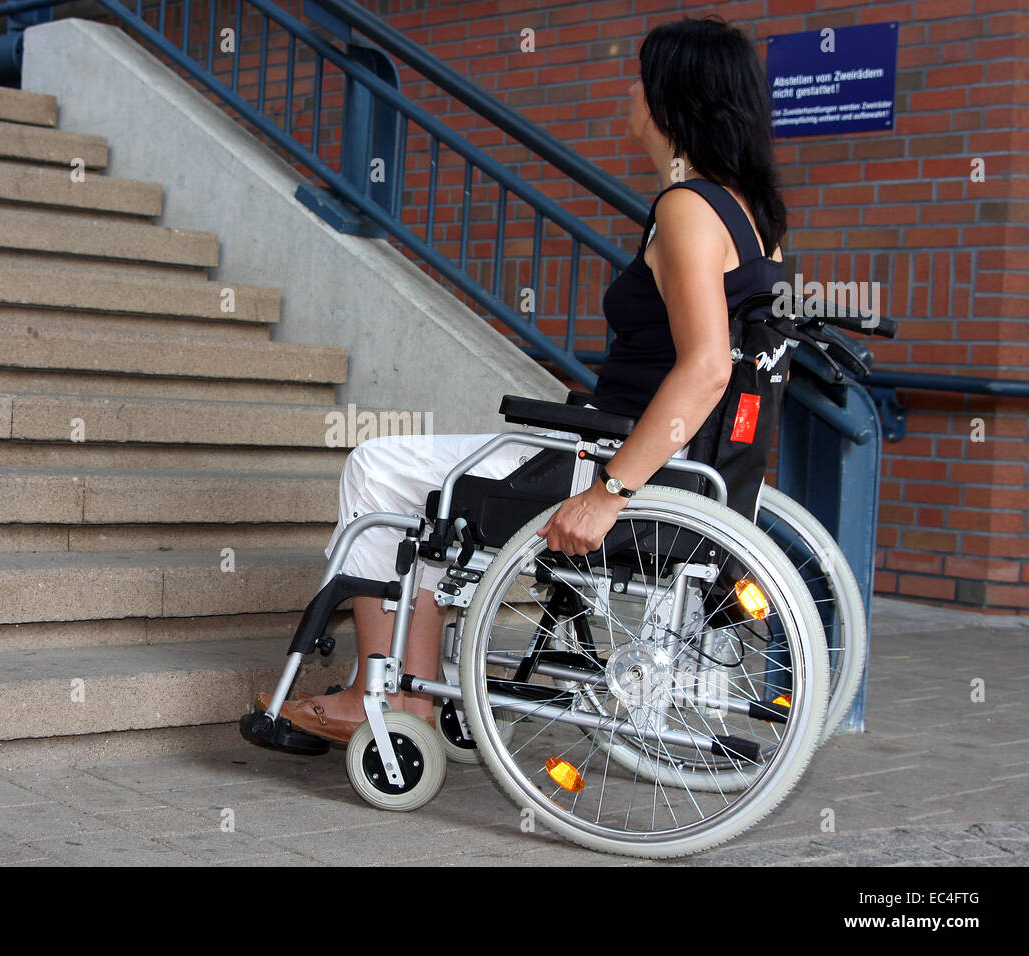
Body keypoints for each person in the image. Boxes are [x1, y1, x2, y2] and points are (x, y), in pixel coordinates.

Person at [259, 15, 787, 742]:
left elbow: (705, 368)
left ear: (671, 100)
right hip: (659, 456)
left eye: (640, 76)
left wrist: (610, 495)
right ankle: (410, 689)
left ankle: (382, 696)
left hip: (616, 461)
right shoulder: (751, 216)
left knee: (375, 466)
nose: (628, 91)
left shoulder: (688, 210)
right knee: (427, 483)